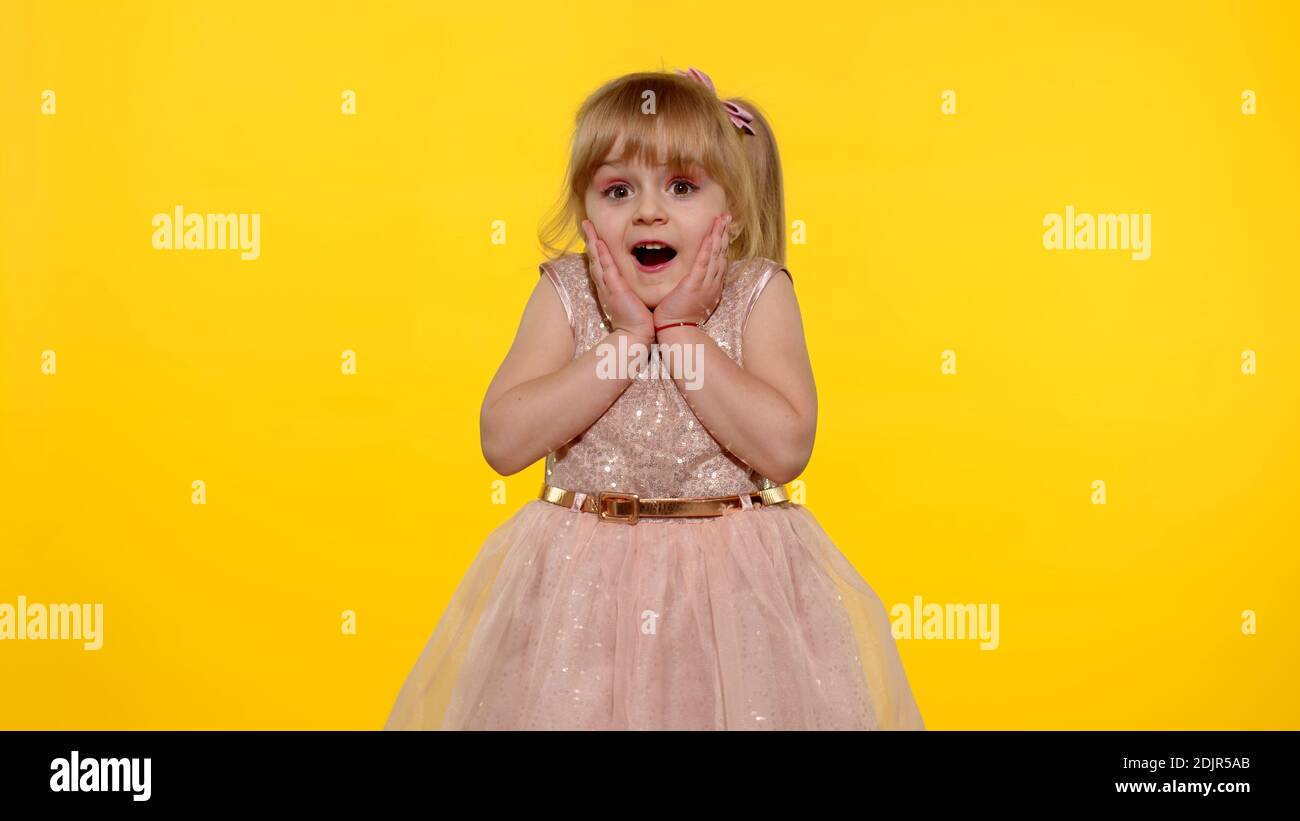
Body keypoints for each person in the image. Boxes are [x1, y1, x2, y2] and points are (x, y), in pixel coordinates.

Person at [384, 67, 924, 730]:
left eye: (682, 187)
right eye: (618, 189)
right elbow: (503, 440)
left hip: (729, 600)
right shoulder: (569, 291)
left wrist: (683, 330)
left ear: (731, 211)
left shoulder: (758, 292)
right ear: (585, 213)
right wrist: (628, 340)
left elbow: (785, 449)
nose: (648, 210)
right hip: (581, 599)